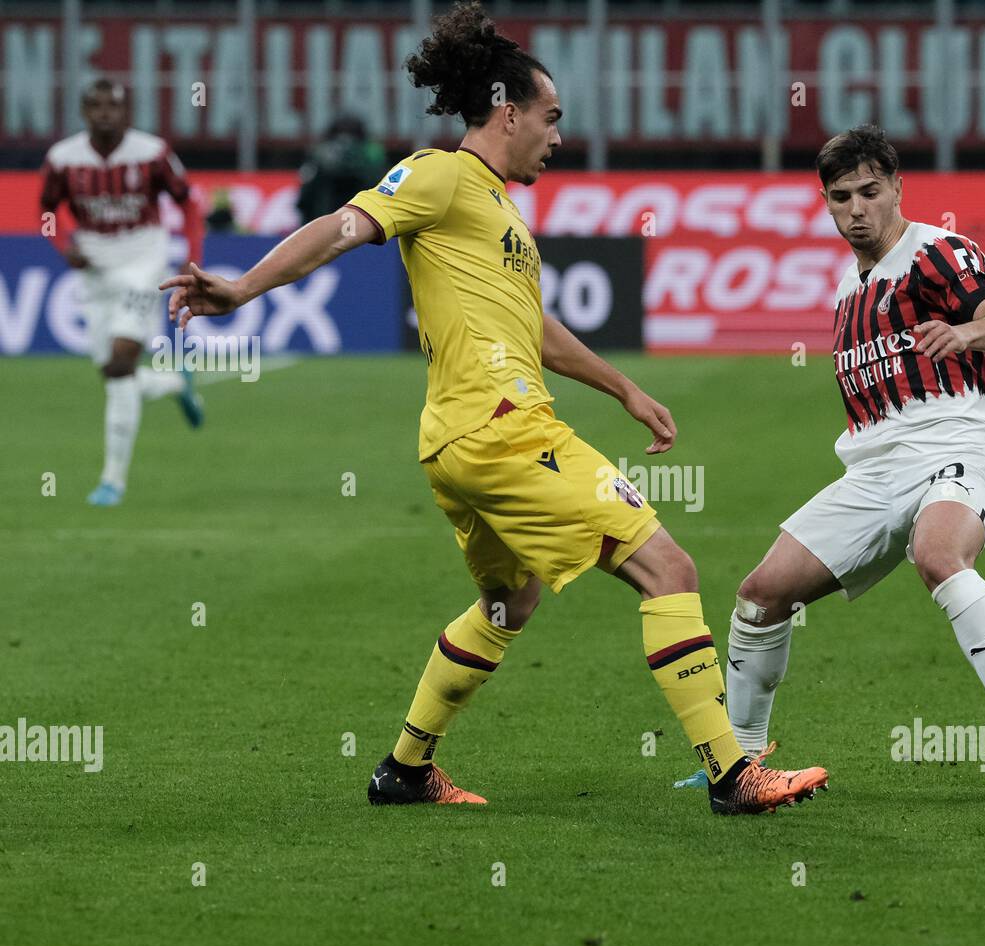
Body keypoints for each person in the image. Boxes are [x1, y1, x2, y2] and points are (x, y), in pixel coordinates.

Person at [160, 1, 828, 816]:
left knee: (510, 601)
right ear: (507, 110)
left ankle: (404, 769)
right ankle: (733, 772)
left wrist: (624, 388)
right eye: (550, 118)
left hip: (456, 443)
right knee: (670, 569)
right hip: (502, 430)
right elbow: (342, 227)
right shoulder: (438, 175)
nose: (557, 135)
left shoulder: (499, 211)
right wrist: (239, 286)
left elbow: (533, 327)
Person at [678, 124, 985, 789]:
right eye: (841, 197)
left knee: (937, 554)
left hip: (955, 444)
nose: (856, 209)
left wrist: (965, 331)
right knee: (759, 597)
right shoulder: (849, 294)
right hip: (873, 473)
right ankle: (739, 760)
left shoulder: (936, 252)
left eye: (870, 192)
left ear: (898, 187)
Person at [39, 79, 205, 506]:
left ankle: (113, 480)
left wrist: (191, 260)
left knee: (119, 363)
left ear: (126, 111)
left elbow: (189, 204)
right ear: (83, 110)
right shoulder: (62, 158)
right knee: (117, 375)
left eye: (113, 106)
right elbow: (45, 211)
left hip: (143, 261)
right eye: (95, 105)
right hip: (95, 271)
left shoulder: (152, 153)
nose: (104, 113)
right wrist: (63, 245)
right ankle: (172, 383)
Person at [295, 114, 387, 224]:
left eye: (351, 135)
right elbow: (307, 193)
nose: (345, 141)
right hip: (328, 211)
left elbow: (380, 184)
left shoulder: (372, 152)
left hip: (358, 215)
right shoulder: (320, 152)